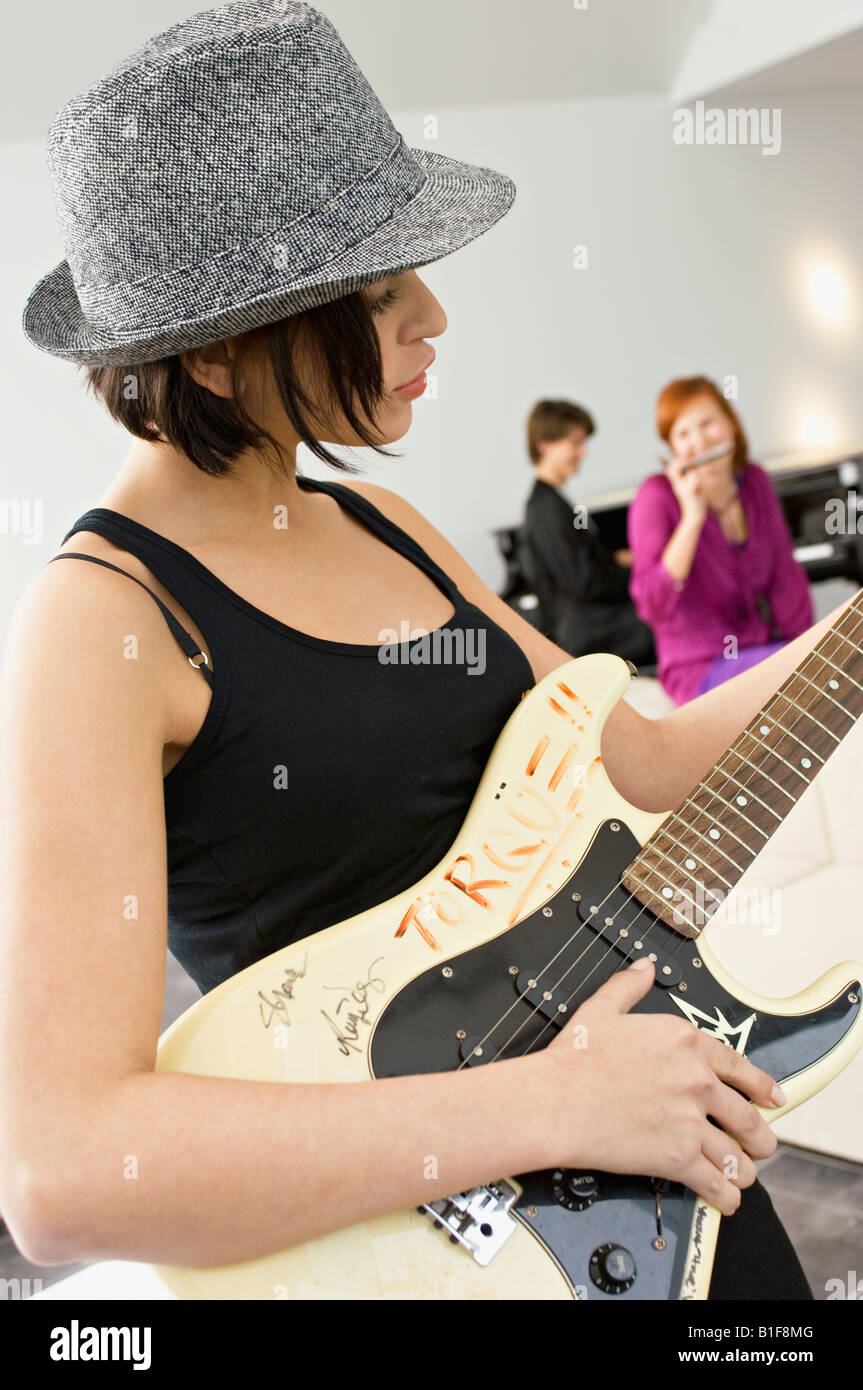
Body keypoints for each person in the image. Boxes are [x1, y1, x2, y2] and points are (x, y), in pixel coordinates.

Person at [1, 1, 851, 1301]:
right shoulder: (102, 619)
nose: (435, 317)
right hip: (451, 1246)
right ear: (223, 346)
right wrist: (549, 1108)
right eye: (381, 290)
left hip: (658, 1163)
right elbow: (63, 1172)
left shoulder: (384, 523)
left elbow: (645, 757)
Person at [628, 377, 814, 705]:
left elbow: (786, 578)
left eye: (707, 423)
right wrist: (692, 517)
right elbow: (652, 603)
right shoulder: (655, 497)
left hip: (766, 651)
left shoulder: (755, 481)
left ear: (731, 424)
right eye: (683, 434)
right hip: (699, 667)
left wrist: (812, 648)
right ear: (672, 448)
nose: (699, 442)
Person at [521, 399, 655, 666]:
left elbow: (585, 564)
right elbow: (587, 582)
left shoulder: (551, 503)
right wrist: (644, 573)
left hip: (590, 618)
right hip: (588, 630)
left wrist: (621, 559)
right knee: (667, 620)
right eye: (575, 443)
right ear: (545, 445)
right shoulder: (546, 509)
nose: (583, 452)